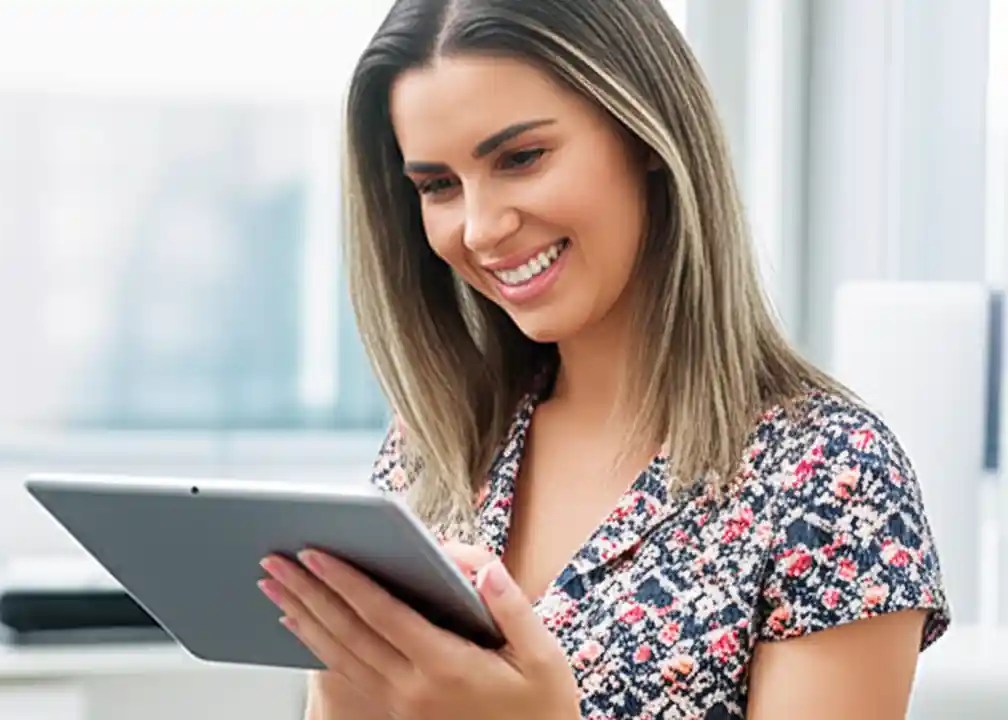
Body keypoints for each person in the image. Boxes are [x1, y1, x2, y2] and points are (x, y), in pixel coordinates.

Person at [256, 0, 950, 717]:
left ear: (644, 132)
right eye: (438, 186)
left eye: (521, 158)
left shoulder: (830, 477)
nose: (482, 228)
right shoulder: (434, 448)